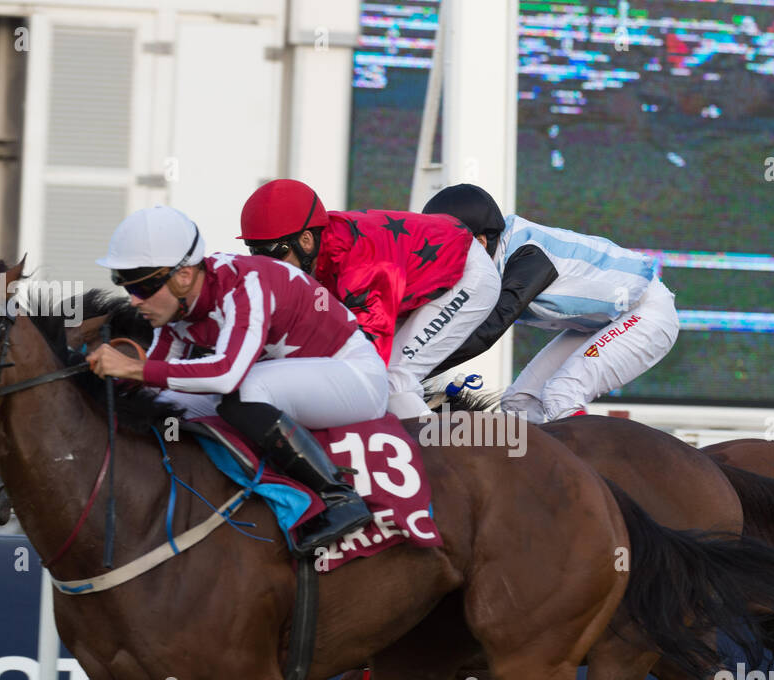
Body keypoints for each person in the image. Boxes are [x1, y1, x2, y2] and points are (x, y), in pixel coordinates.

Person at [86, 205, 388, 556]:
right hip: (300, 380)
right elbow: (155, 383)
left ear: (183, 276)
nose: (134, 300)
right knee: (163, 402)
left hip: (355, 378)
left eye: (142, 286)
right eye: (124, 286)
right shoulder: (178, 309)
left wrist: (133, 369)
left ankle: (339, 498)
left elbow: (226, 375)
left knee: (240, 393)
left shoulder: (246, 286)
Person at [236, 179, 499, 419]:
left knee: (391, 380)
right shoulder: (319, 253)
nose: (267, 265)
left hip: (467, 276)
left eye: (273, 253)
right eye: (255, 253)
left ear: (306, 240)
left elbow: (366, 365)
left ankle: (433, 464)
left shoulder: (359, 269)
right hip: (422, 277)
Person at [421, 183, 681, 422]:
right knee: (518, 404)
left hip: (647, 313)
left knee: (562, 394)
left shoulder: (529, 256)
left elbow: (488, 330)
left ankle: (591, 474)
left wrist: (413, 372)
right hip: (604, 322)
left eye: (448, 249)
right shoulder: (492, 254)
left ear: (480, 241)